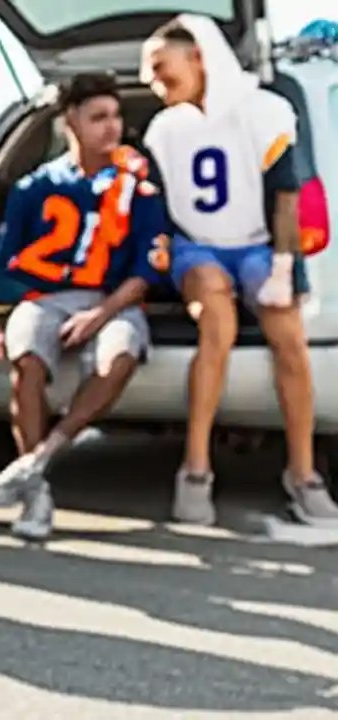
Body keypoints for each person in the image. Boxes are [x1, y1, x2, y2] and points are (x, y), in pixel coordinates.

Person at [141, 15, 338, 526]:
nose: (151, 82)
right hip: (197, 247)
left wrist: (283, 269)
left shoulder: (264, 109)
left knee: (288, 336)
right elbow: (158, 207)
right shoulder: (164, 129)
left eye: (160, 67)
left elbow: (286, 196)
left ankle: (302, 473)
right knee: (217, 320)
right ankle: (196, 468)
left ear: (199, 58)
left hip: (256, 244)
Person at [0, 74, 168, 539]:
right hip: (46, 298)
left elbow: (147, 270)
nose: (112, 126)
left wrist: (100, 314)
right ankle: (36, 498)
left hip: (113, 301)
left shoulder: (137, 186)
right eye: (98, 117)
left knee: (120, 354)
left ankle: (38, 459)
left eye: (116, 116)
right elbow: (3, 264)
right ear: (70, 122)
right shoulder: (34, 187)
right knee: (26, 359)